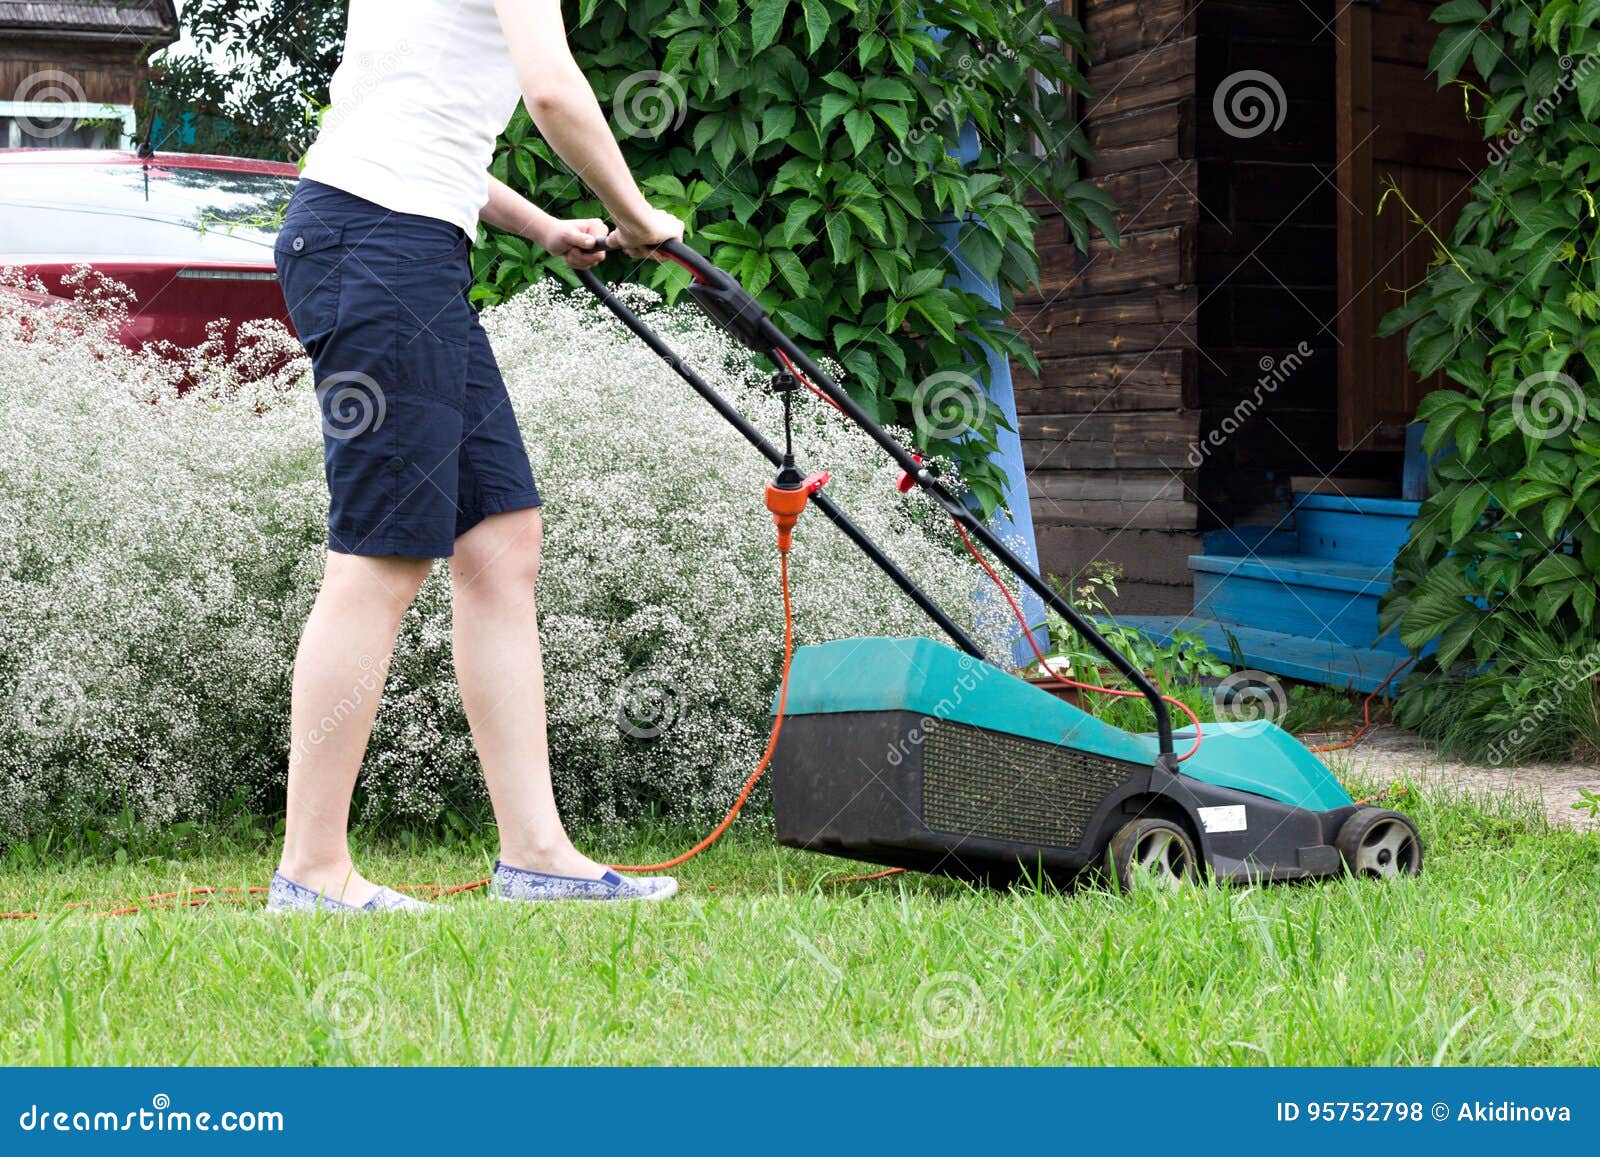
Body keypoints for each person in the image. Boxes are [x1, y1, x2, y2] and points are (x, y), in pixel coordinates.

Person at [267, 0, 684, 913]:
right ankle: (311, 869)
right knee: (383, 550)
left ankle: (536, 853)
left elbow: (424, 124)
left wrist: (540, 225)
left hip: (392, 238)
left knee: (500, 536)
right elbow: (553, 91)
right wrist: (637, 215)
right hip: (377, 243)